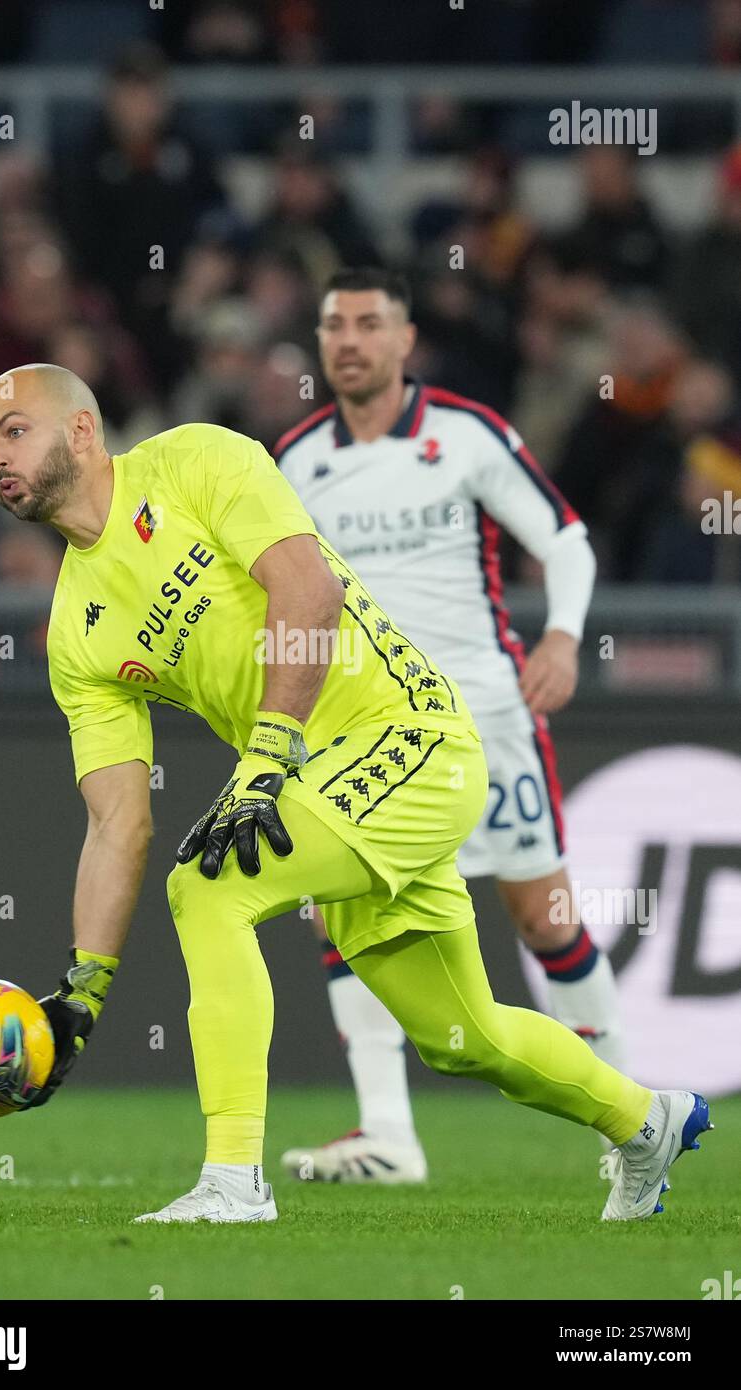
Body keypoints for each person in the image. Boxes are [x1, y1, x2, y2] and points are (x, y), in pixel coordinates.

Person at [0, 362, 710, 1224]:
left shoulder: (197, 462)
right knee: (463, 1038)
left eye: (15, 430)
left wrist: (264, 761)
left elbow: (308, 591)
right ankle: (647, 1121)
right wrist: (81, 995)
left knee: (205, 888)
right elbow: (116, 820)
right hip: (324, 784)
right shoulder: (74, 632)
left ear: (85, 432)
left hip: (410, 738)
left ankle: (233, 1182)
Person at [274, 267, 618, 1183]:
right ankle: (389, 1134)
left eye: (368, 324)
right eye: (333, 325)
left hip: (486, 713)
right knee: (342, 915)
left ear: (404, 339)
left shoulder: (465, 436)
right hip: (369, 731)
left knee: (542, 918)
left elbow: (566, 539)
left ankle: (625, 1117)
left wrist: (564, 639)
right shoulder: (295, 462)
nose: (348, 340)